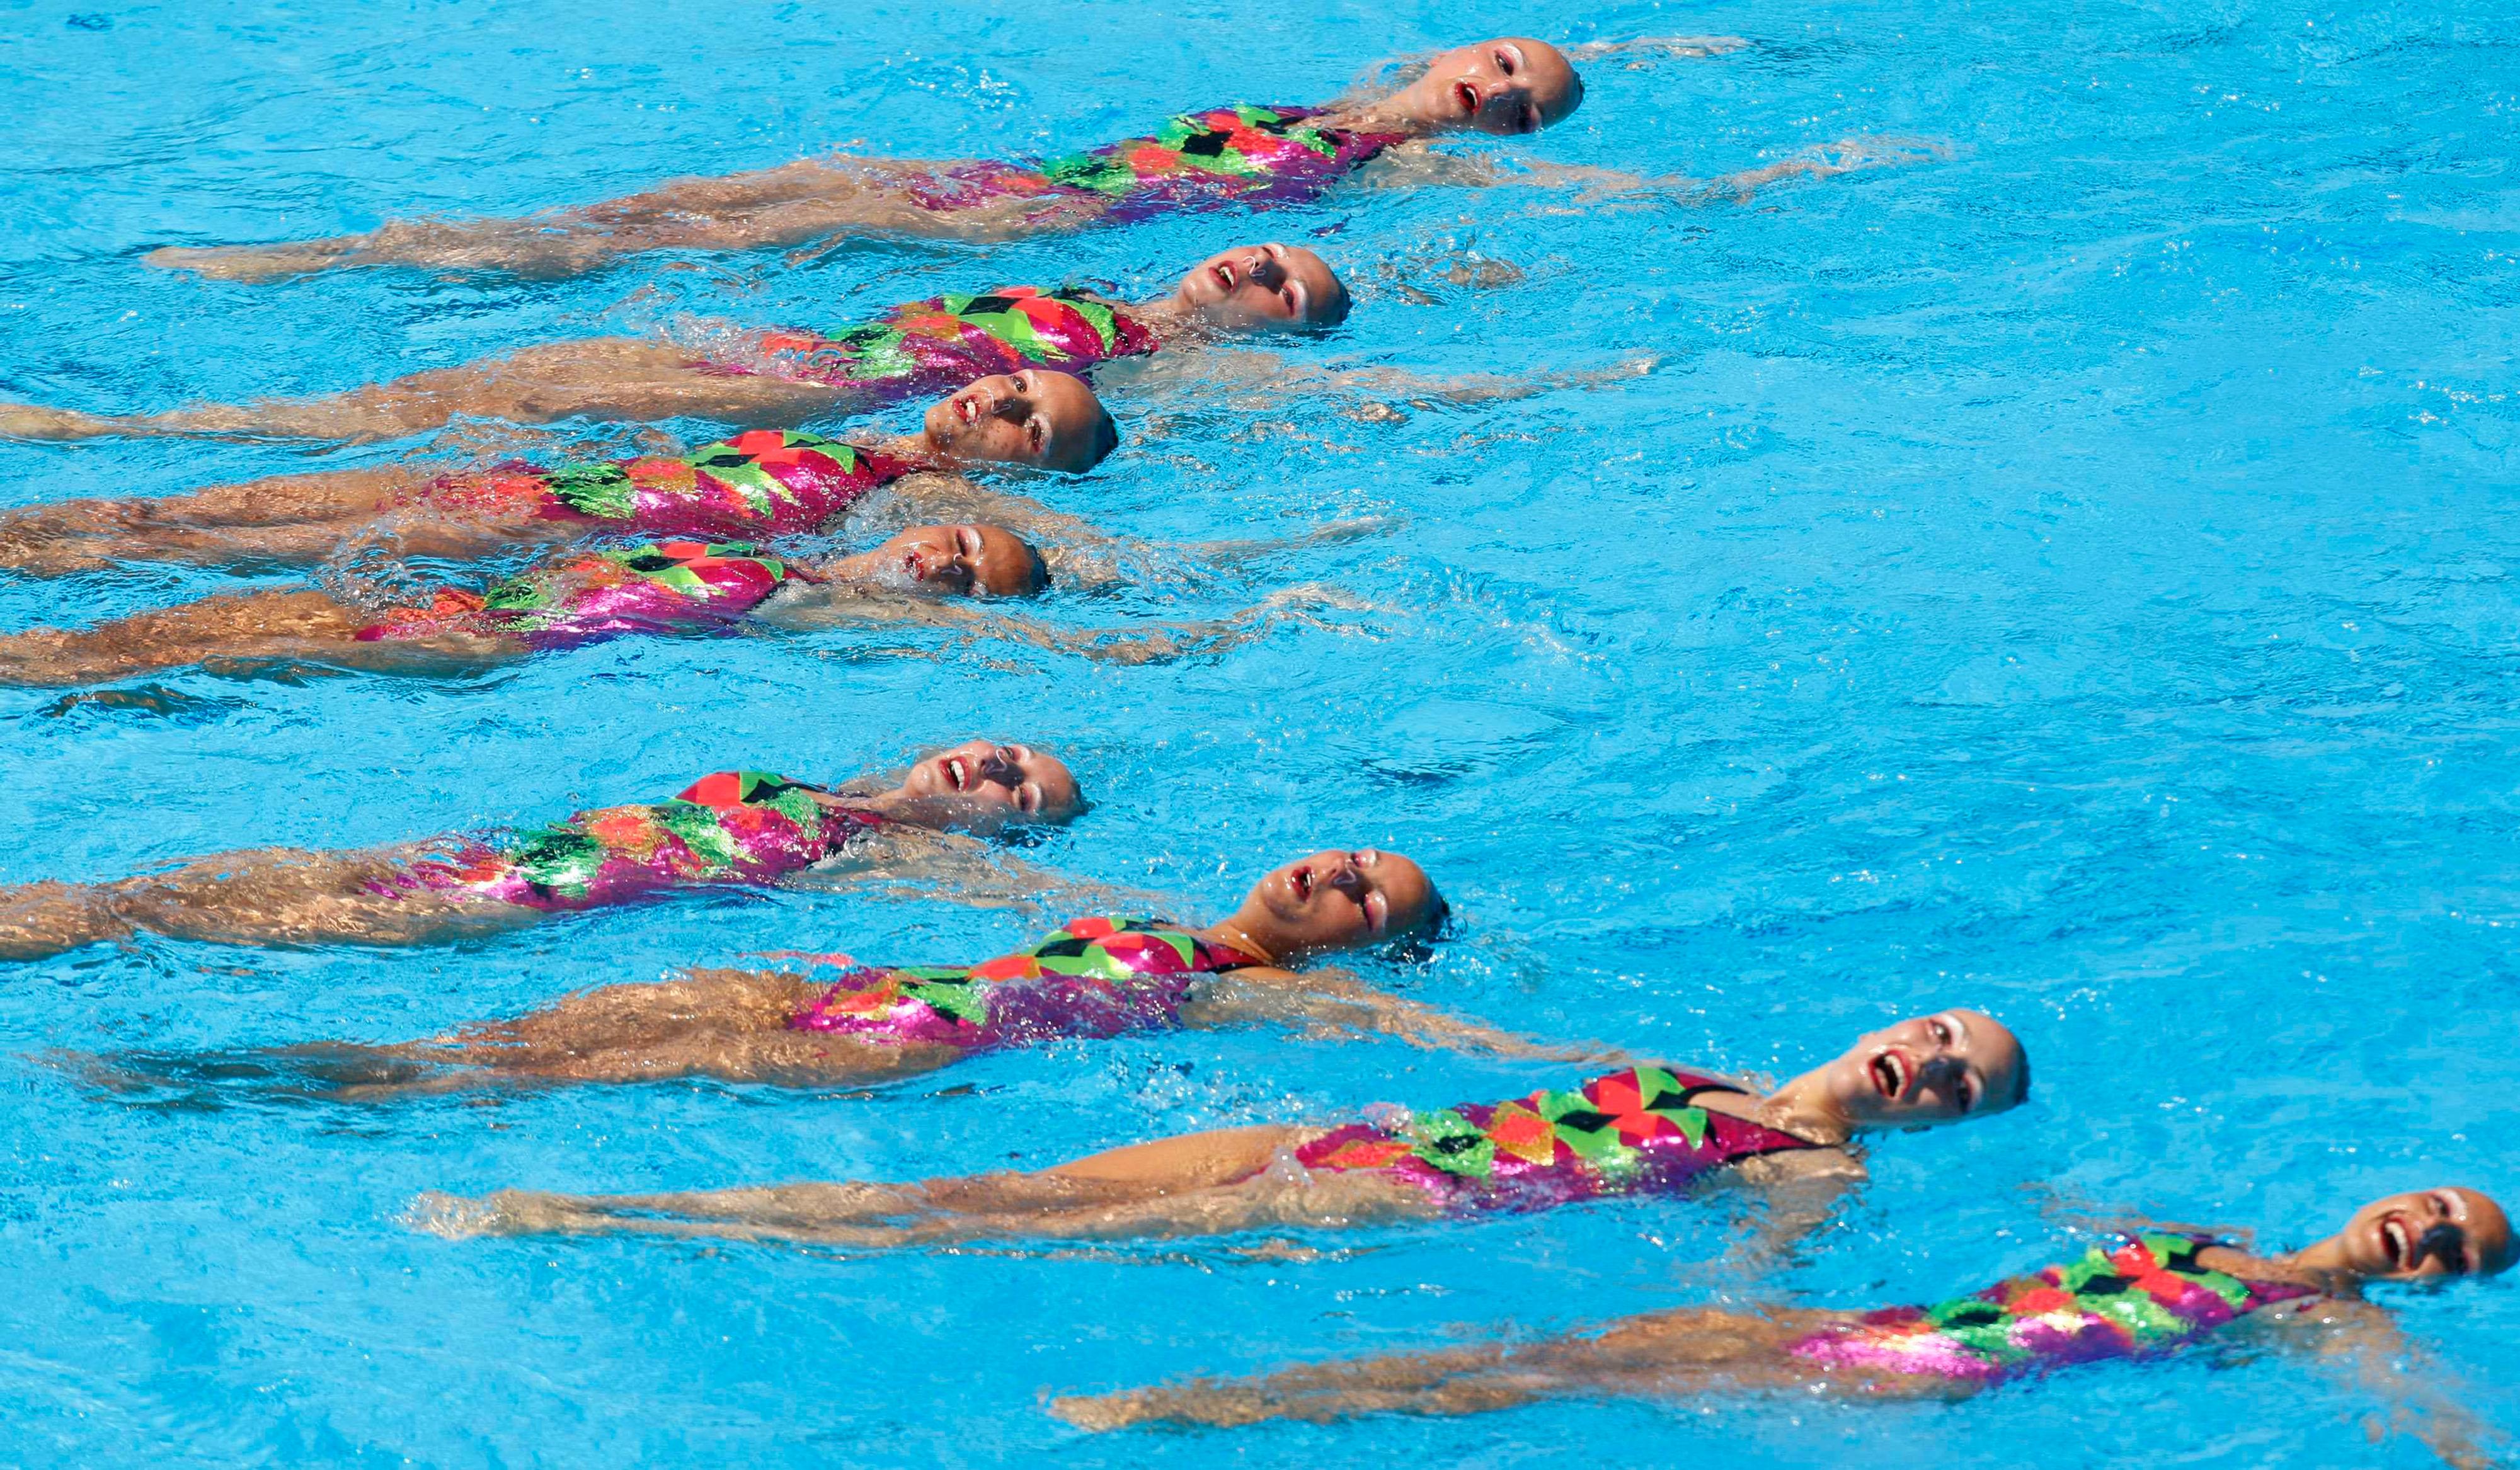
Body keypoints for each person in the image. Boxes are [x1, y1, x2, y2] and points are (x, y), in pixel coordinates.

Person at [1051, 1187, 2514, 1470]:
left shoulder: (2325, 1320)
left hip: (1904, 1376)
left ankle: (1197, 1416)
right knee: (1529, 1362)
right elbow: (2078, 1222)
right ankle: (1211, 1405)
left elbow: (2421, 1417)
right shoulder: (2211, 1243)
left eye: (2455, 1254)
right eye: (2440, 1206)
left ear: (2433, 1285)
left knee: (1517, 1384)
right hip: (1863, 1331)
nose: (2431, 1236)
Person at [417, 1008, 2025, 1240]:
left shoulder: (1810, 1167)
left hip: (1372, 1215)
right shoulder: (1674, 1065)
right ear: (1887, 1023)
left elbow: (1744, 1291)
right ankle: (651, 1204)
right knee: (1007, 1181)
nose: (1934, 1067)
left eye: (1964, 1085)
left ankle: (587, 1216)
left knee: (983, 1224)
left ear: (1942, 1127)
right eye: (1939, 1036)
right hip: (1340, 1146)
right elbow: (1487, 1055)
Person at [142, 38, 1615, 282]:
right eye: (1498, 64)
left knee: (681, 245)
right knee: (656, 207)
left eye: (1516, 105)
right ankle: (371, 245)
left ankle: (315, 256)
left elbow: (1602, 202)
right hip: (969, 181)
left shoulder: (1385, 166)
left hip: (1006, 235)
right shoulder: (1347, 88)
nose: (1491, 95)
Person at [188, 848, 1570, 1100]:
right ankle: (304, 1071)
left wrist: (1556, 1071)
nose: (1334, 877)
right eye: (1348, 857)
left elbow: (1431, 1036)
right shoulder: (1150, 912)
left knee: (561, 1073)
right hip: (843, 985)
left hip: (906, 1043)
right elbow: (1003, 889)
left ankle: (294, 1092)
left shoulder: (1293, 989)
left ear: (1357, 950)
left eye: (1364, 902)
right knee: (520, 1033)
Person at [0, 244, 1353, 446]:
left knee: (445, 404)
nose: (1256, 266)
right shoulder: (1100, 290)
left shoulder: (1154, 365)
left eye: (1283, 292)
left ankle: (111, 432)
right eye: (1274, 255)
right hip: (789, 347)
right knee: (455, 385)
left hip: (784, 394)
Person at [0, 743, 1080, 959]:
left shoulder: (889, 850)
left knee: (166, 917)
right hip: (485, 851)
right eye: (1010, 752)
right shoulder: (822, 779)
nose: (995, 771)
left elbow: (1052, 899)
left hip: (517, 899)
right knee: (165, 888)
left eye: (1019, 793)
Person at [0, 513, 1348, 685]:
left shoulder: (828, 612)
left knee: (111, 657)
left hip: (463, 643)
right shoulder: (804, 550)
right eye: (956, 542)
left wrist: (1217, 612)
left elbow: (1044, 631)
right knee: (120, 629)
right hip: (460, 603)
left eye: (961, 582)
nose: (941, 563)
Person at [0, 377, 1116, 576]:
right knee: (167, 515)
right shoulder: (863, 431)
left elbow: (1034, 590)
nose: (1002, 403)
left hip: (536, 537)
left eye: (1029, 429)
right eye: (1020, 384)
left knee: (202, 547)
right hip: (537, 483)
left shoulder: (920, 501)